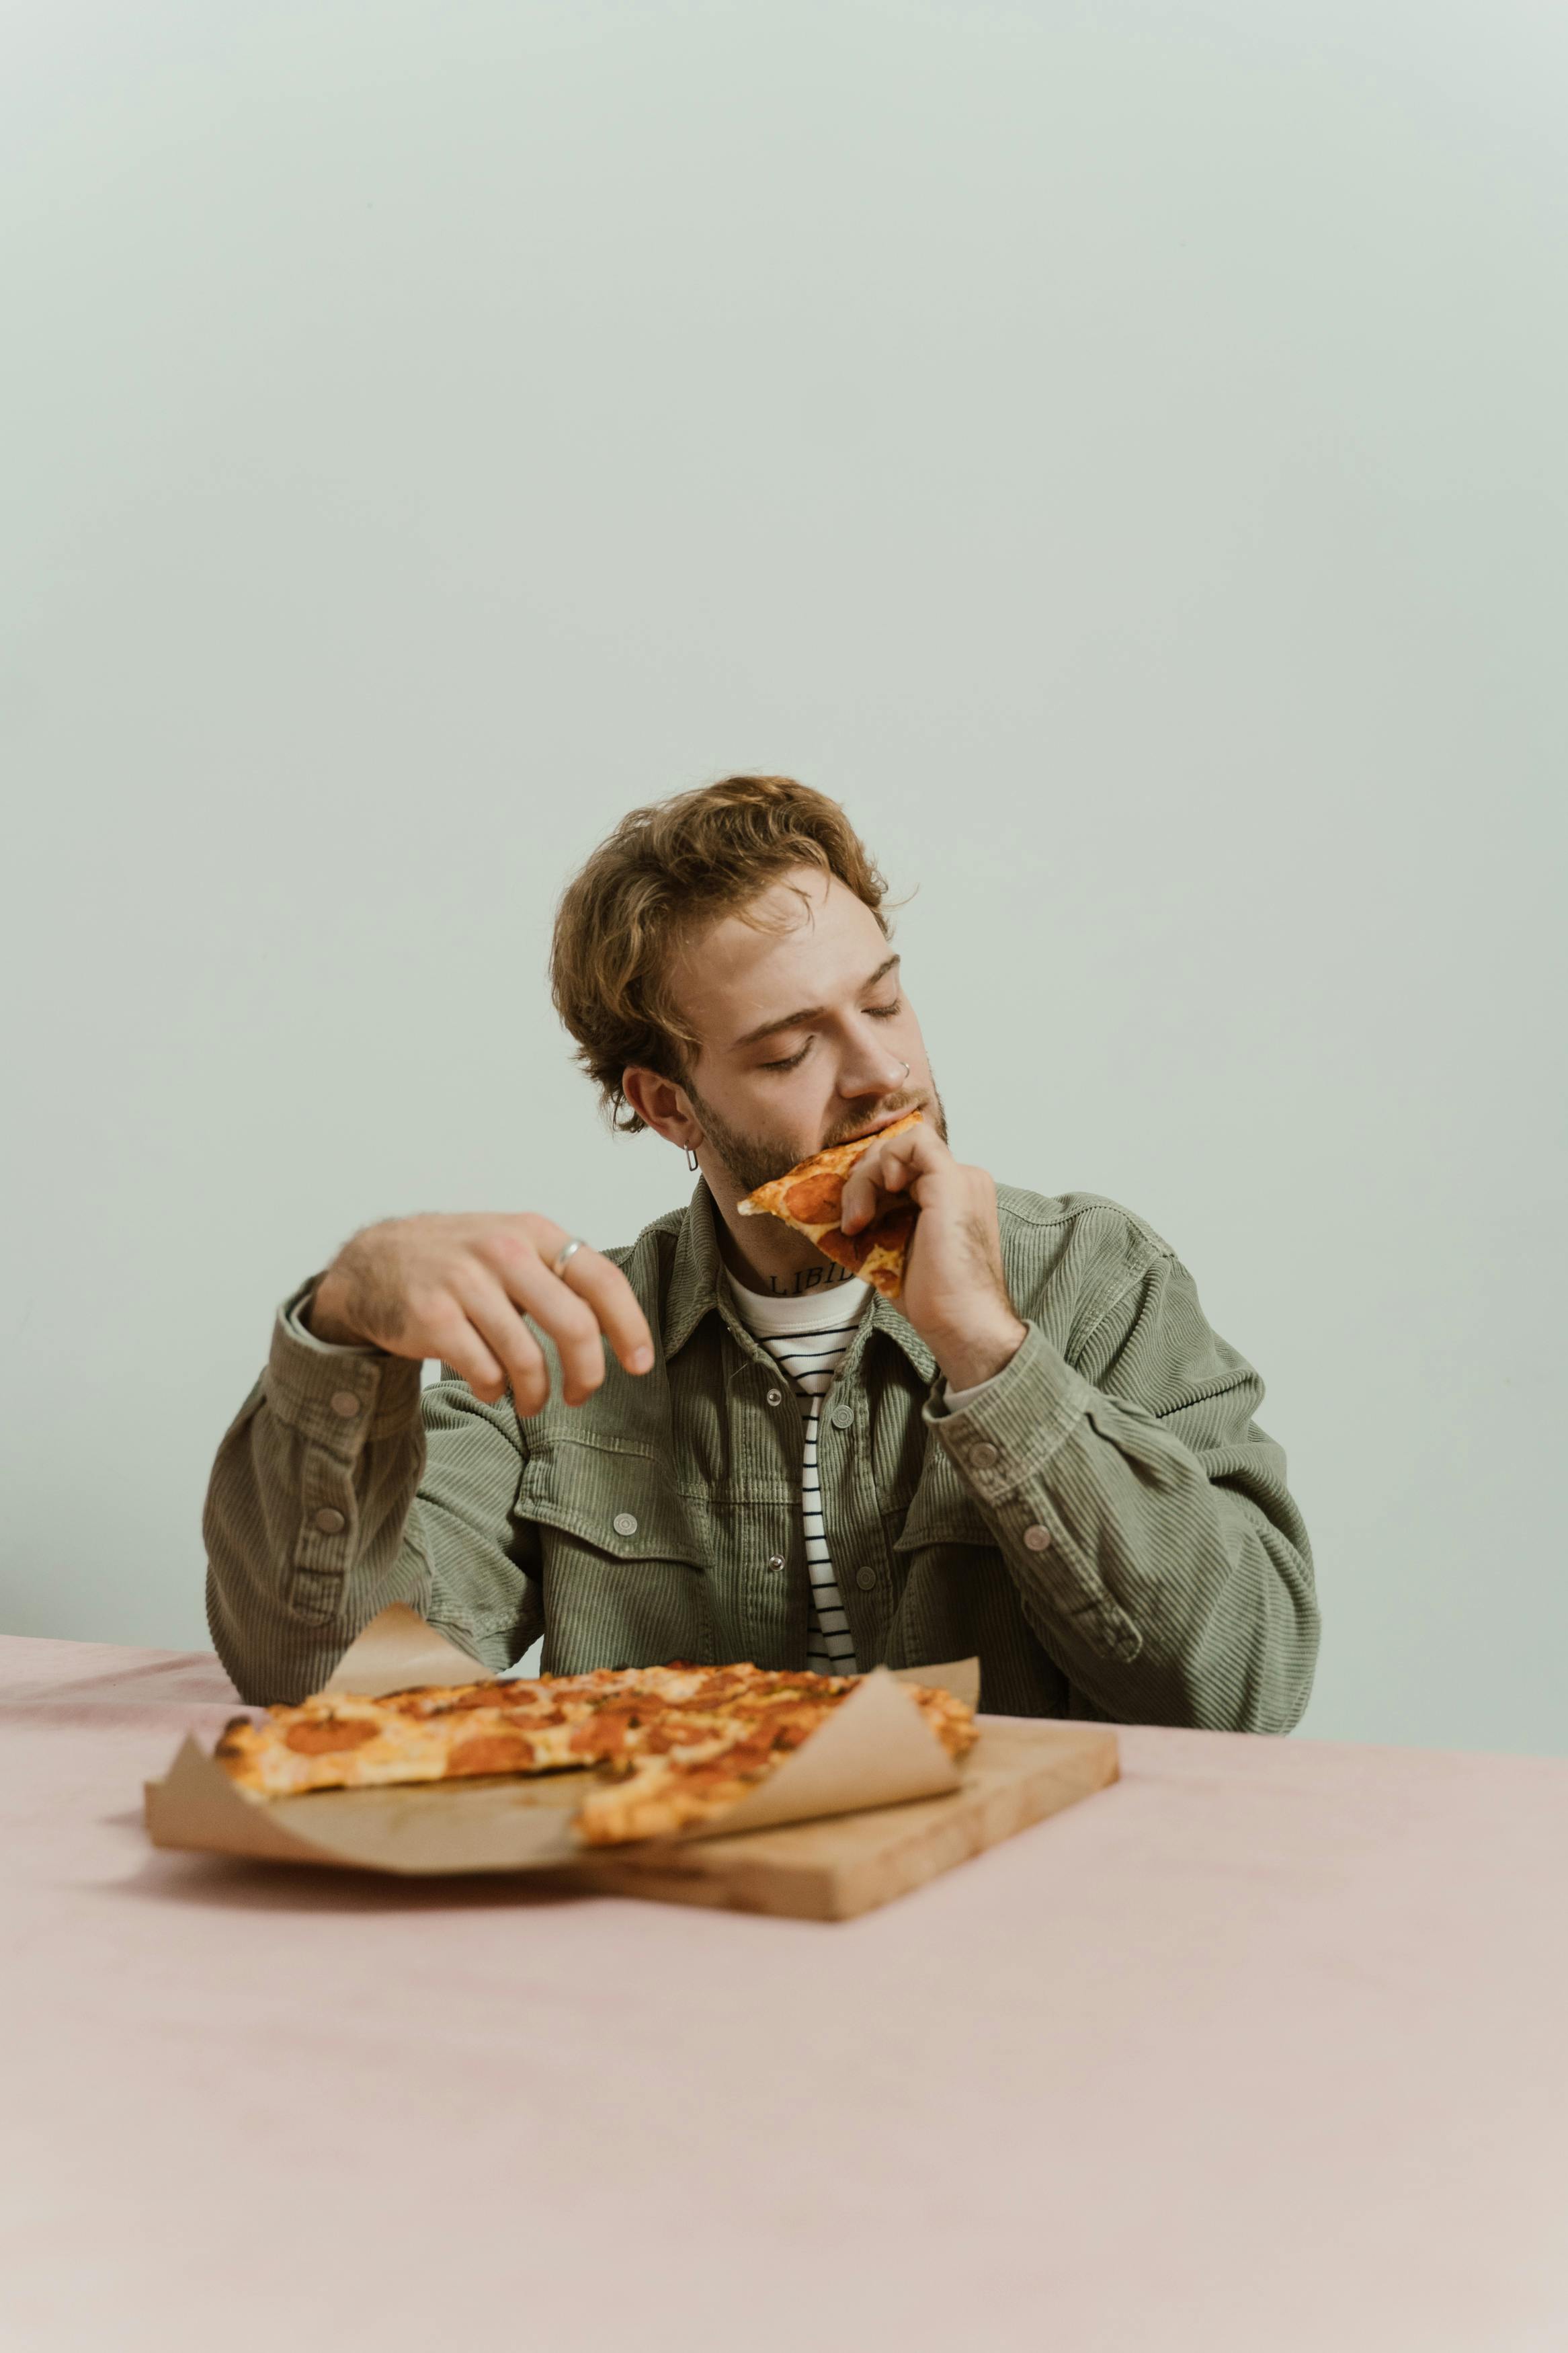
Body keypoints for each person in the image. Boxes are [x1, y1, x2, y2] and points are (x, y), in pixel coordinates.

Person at [204, 774, 1318, 1723]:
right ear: (671, 1105)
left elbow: (1240, 1691)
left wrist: (989, 1355)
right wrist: (346, 1329)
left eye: (884, 1004)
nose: (882, 1074)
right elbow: (323, 1682)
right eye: (791, 1052)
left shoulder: (1096, 1278)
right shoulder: (568, 1344)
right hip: (678, 1928)